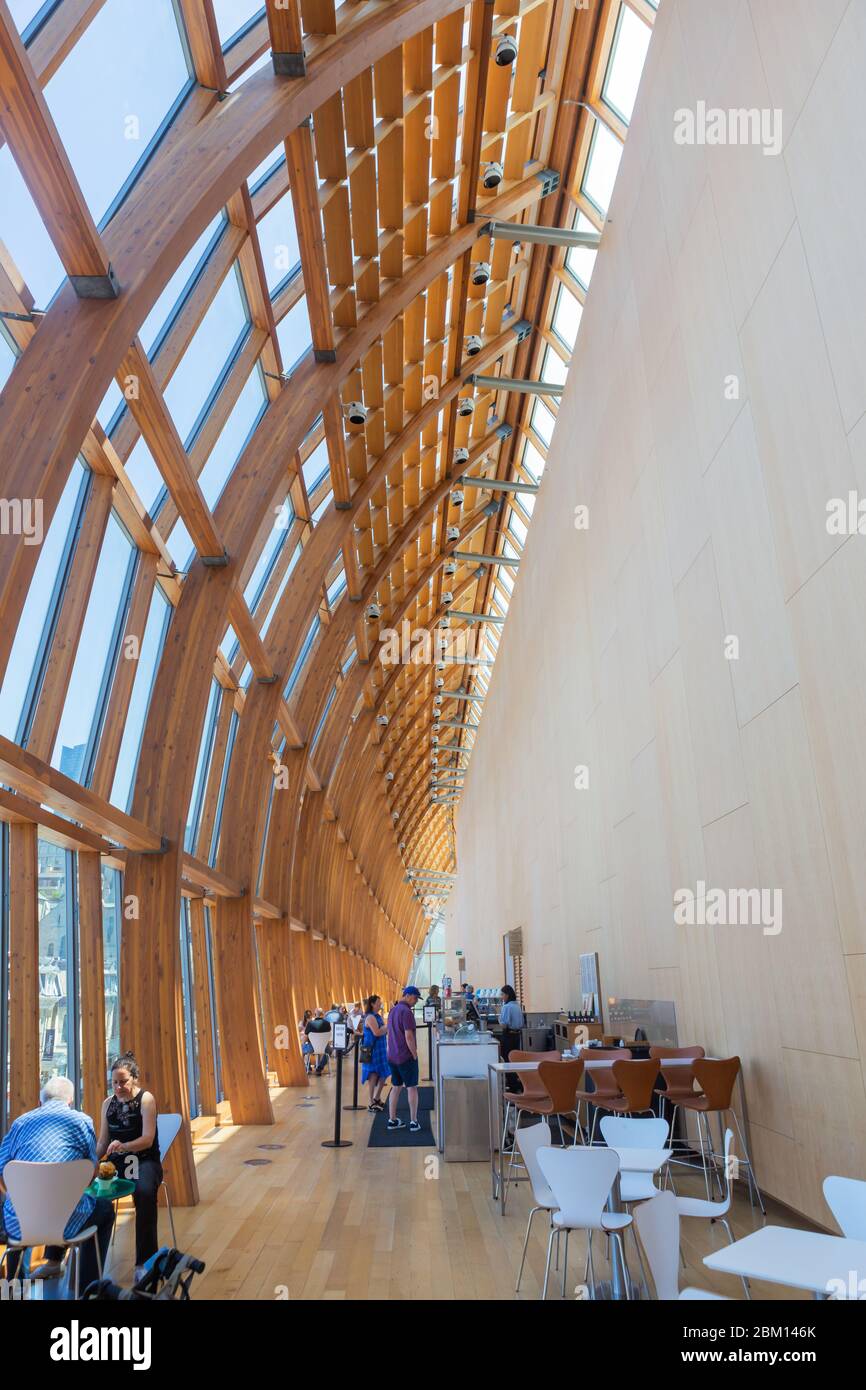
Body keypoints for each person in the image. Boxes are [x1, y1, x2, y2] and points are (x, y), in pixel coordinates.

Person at [0, 1075, 114, 1290]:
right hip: (68, 1219)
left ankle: (15, 1290)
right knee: (104, 1210)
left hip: (21, 1223)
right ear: (70, 1101)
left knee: (15, 1211)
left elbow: (2, 1167)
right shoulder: (81, 1121)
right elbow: (91, 1171)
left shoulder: (20, 1123)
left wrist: (12, 1196)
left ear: (39, 1102)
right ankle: (87, 1290)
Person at [96, 1052, 162, 1281]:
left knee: (144, 1194)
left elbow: (147, 1139)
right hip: (117, 1163)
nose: (118, 1086)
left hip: (145, 1160)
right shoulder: (108, 1104)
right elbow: (103, 1142)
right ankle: (59, 1259)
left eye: (123, 1081)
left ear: (134, 1078)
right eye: (114, 1082)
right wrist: (88, 1164)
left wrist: (123, 1146)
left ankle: (144, 1262)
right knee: (88, 1193)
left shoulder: (146, 1099)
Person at [386, 985, 421, 1132]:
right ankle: (413, 1121)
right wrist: (414, 1053)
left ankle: (392, 1120)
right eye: (415, 998)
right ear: (408, 995)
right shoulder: (406, 1012)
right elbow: (408, 1036)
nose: (416, 1001)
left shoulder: (393, 1010)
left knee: (396, 1087)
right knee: (411, 1087)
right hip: (405, 1056)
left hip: (392, 1055)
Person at [361, 995, 389, 1112]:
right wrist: (387, 1027)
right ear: (372, 1004)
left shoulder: (377, 1016)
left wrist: (384, 1028)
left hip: (380, 1048)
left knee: (384, 1072)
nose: (380, 1004)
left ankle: (377, 1097)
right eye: (378, 1002)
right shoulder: (370, 1017)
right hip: (372, 1050)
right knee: (373, 1075)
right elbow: (377, 1032)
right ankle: (371, 1101)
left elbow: (382, 1030)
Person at [498, 985, 525, 1094]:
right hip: (516, 1036)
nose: (501, 997)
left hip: (508, 1036)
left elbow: (504, 1025)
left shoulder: (507, 1007)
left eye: (502, 994)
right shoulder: (517, 1006)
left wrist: (498, 1020)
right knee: (514, 1060)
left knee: (507, 1061)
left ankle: (512, 1089)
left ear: (507, 995)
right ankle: (517, 1086)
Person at [304, 1008, 332, 1075]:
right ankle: (319, 1068)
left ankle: (308, 1068)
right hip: (324, 1047)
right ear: (323, 1014)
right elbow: (329, 1036)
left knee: (302, 1049)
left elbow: (306, 1037)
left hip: (312, 1048)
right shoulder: (327, 1024)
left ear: (315, 1014)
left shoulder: (310, 1023)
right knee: (330, 1050)